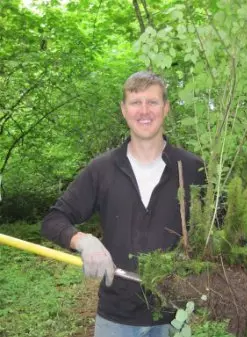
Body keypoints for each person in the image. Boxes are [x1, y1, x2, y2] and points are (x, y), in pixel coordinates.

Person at [41, 71, 206, 337]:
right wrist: (82, 240)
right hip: (115, 318)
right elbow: (53, 221)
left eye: (152, 102)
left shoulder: (192, 168)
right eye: (135, 102)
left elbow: (220, 237)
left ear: (165, 108)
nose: (144, 111)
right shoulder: (102, 169)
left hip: (177, 317)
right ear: (123, 109)